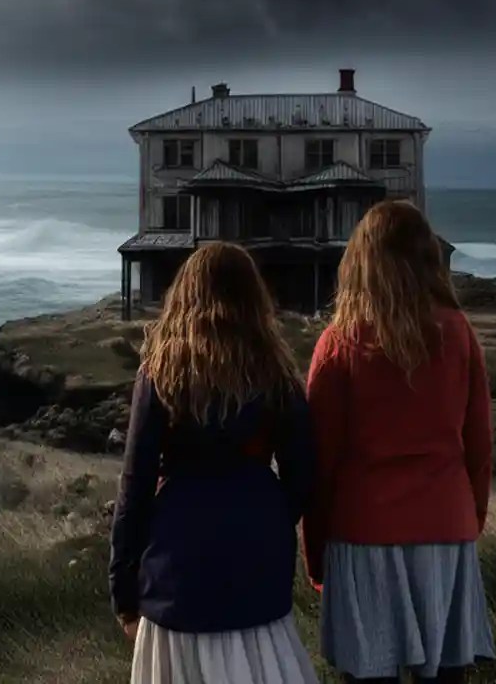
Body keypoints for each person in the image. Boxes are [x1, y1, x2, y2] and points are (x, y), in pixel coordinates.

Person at [302, 200, 496, 683]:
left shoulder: (339, 341)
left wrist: (315, 552)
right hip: (446, 528)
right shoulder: (459, 332)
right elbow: (480, 446)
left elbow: (318, 463)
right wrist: (470, 520)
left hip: (364, 532)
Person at [109, 242, 319, 684]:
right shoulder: (275, 372)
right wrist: (269, 515)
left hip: (176, 570)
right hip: (257, 568)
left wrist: (123, 593)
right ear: (252, 297)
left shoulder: (161, 370)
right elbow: (303, 473)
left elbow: (135, 485)